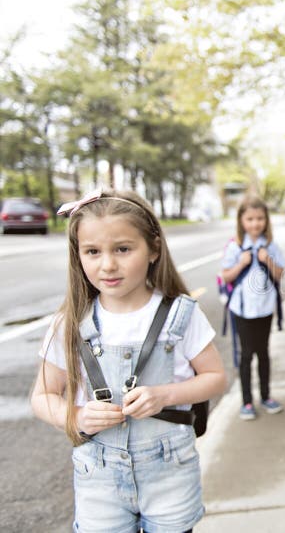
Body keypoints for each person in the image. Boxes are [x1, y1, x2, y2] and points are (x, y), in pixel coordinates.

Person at [30, 188, 227, 533]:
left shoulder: (178, 314)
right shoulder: (69, 323)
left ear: (153, 248)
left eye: (122, 249)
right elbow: (42, 396)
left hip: (170, 473)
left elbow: (215, 377)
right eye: (92, 251)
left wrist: (165, 395)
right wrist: (75, 416)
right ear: (78, 256)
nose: (107, 264)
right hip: (99, 481)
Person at [220, 196, 285, 420]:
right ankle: (247, 401)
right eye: (250, 219)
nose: (255, 223)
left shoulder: (271, 246)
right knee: (246, 354)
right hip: (242, 309)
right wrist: (242, 263)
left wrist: (268, 260)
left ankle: (266, 396)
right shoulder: (235, 246)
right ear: (241, 220)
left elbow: (280, 275)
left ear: (266, 220)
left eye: (260, 218)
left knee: (264, 353)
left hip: (265, 308)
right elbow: (225, 275)